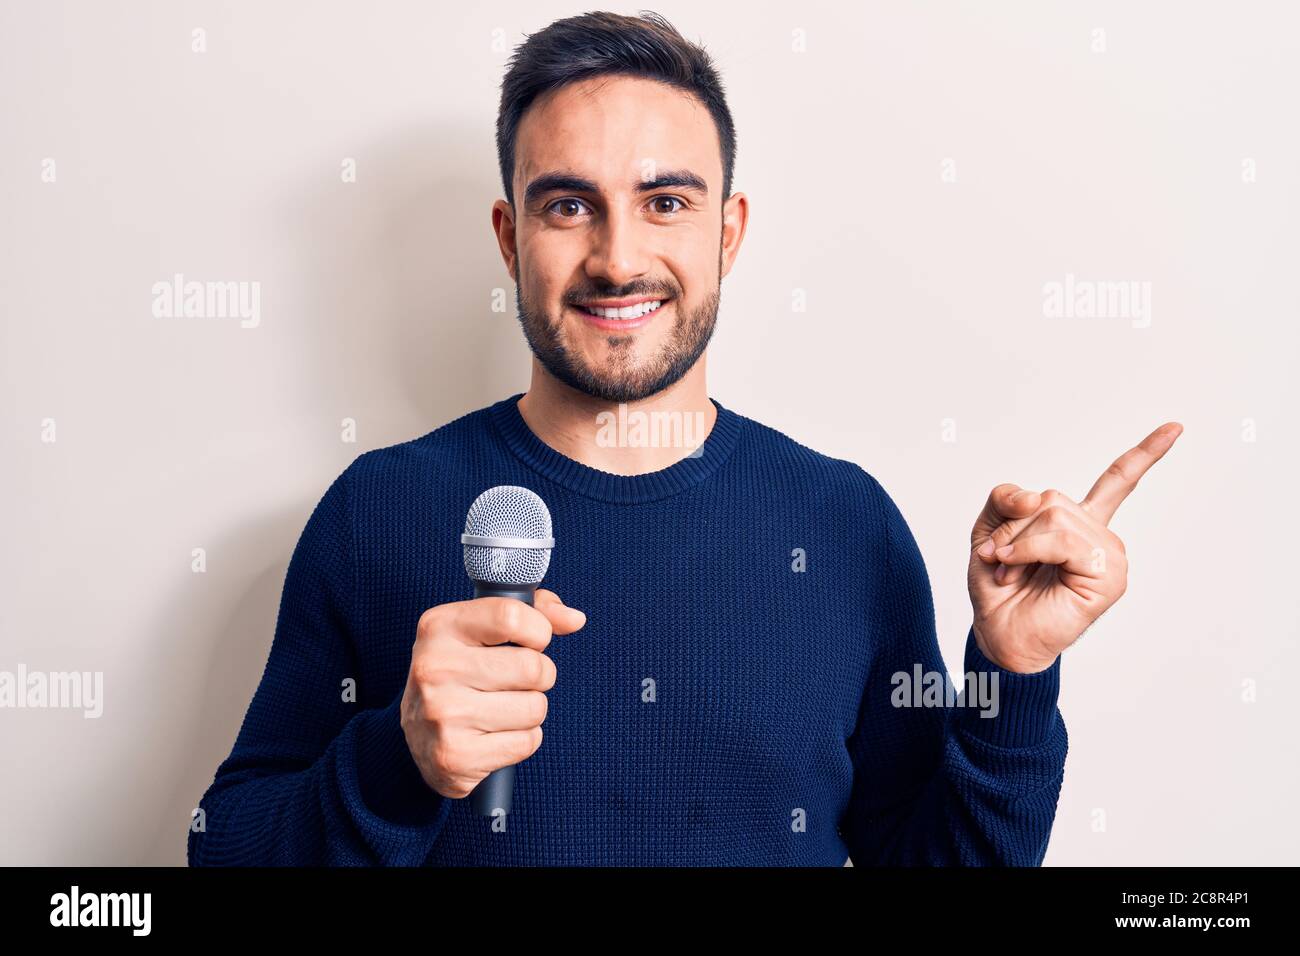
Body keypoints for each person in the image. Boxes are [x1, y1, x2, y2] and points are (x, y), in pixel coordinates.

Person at [188, 10, 1181, 866]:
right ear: (507, 237)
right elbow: (219, 843)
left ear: (729, 233)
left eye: (665, 202)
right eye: (568, 205)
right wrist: (395, 761)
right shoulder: (379, 510)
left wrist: (1011, 676)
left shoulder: (843, 525)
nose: (619, 259)